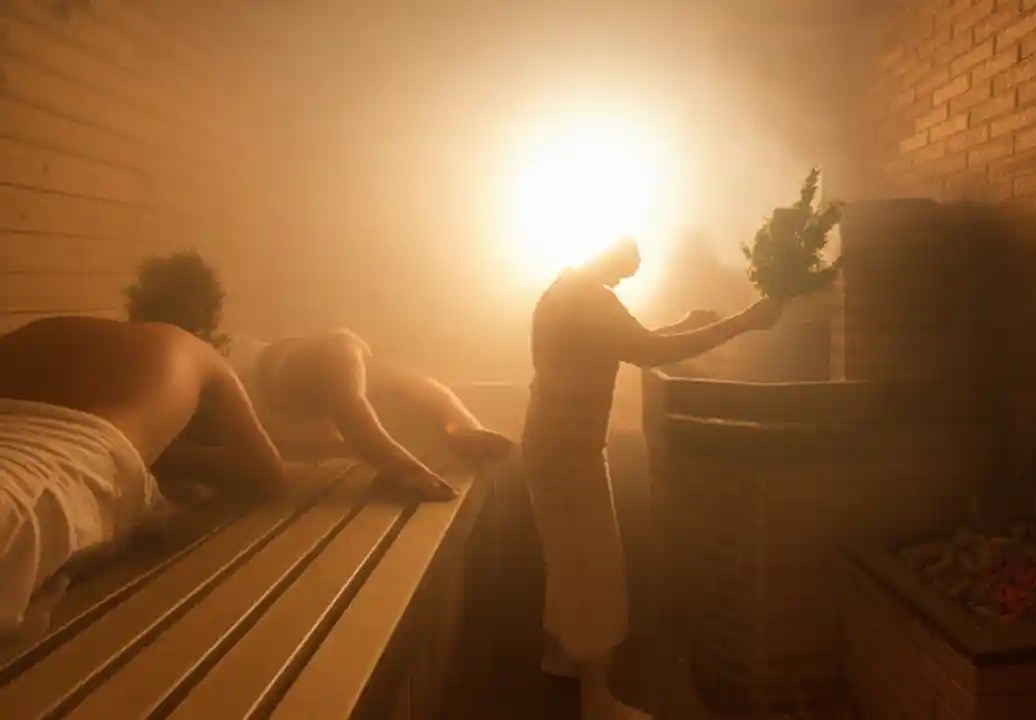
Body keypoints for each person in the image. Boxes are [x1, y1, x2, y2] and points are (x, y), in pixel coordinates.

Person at [523, 237, 785, 720]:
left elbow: (628, 340)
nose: (623, 279)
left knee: (566, 556)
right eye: (624, 271)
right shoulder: (589, 299)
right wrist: (744, 322)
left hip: (553, 445)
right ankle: (595, 702)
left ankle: (561, 659)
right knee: (592, 566)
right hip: (568, 452)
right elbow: (645, 350)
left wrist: (685, 325)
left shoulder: (566, 289)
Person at [124, 252, 513, 501]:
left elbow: (376, 403)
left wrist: (446, 433)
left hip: (294, 404)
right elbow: (370, 406)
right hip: (280, 407)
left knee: (362, 384)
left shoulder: (314, 364)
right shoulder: (282, 366)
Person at [0, 316, 285, 634]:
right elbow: (267, 475)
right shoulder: (193, 350)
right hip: (52, 466)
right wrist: (164, 456)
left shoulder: (41, 332)